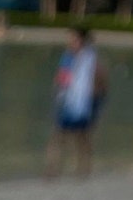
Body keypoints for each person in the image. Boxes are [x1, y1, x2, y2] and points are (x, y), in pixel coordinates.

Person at [45, 28, 108, 177]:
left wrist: (96, 103)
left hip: (85, 104)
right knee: (58, 136)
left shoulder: (92, 59)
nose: (70, 43)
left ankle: (84, 169)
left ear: (82, 42)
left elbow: (102, 83)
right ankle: (52, 169)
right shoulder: (68, 58)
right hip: (68, 101)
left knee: (82, 137)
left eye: (74, 40)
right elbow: (61, 78)